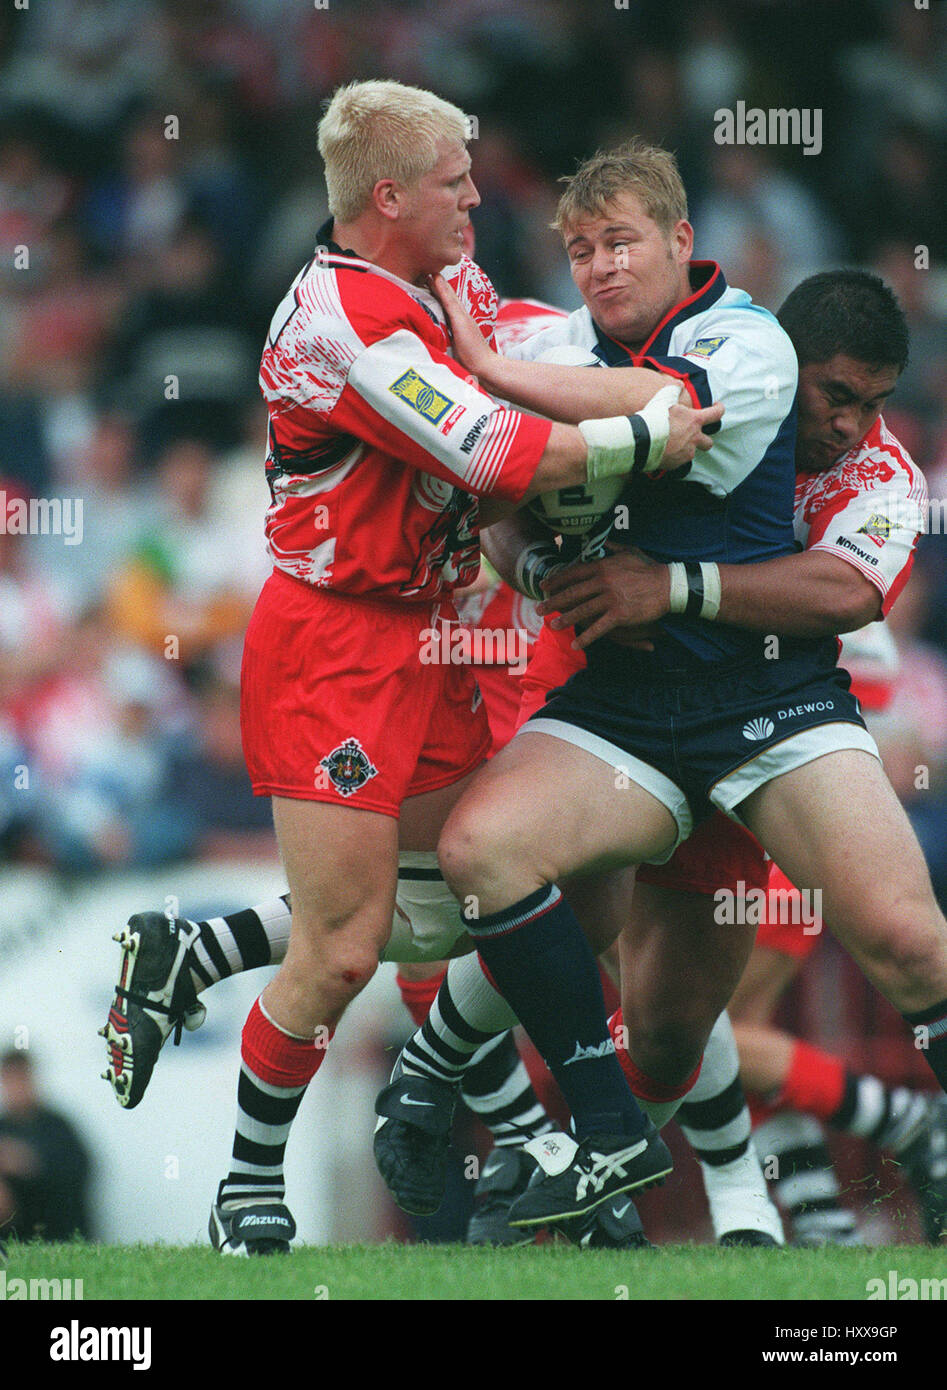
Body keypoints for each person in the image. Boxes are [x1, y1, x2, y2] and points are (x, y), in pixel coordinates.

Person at [101, 86, 720, 1254]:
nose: (478, 197)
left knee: (447, 915)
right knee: (343, 946)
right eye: (454, 180)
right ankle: (244, 1193)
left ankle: (201, 947)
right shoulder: (344, 323)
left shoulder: (441, 281)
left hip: (427, 634)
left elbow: (523, 343)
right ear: (388, 198)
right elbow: (489, 444)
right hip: (331, 648)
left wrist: (647, 354)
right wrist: (646, 429)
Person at [377, 148, 947, 1234]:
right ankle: (478, 1096)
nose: (841, 424)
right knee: (491, 863)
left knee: (855, 960)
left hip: (768, 712)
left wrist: (668, 582)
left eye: (865, 403)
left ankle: (663, 1165)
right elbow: (503, 480)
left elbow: (838, 589)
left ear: (680, 241)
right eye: (834, 396)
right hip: (619, 704)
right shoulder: (581, 342)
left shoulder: (834, 435)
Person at [0, 1049, 93, 1242]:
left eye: (22, 1078)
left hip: (59, 1234)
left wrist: (30, 1163)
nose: (17, 1087)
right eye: (11, 1080)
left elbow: (82, 1171)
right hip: (14, 1240)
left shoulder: (58, 1126)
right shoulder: (3, 1127)